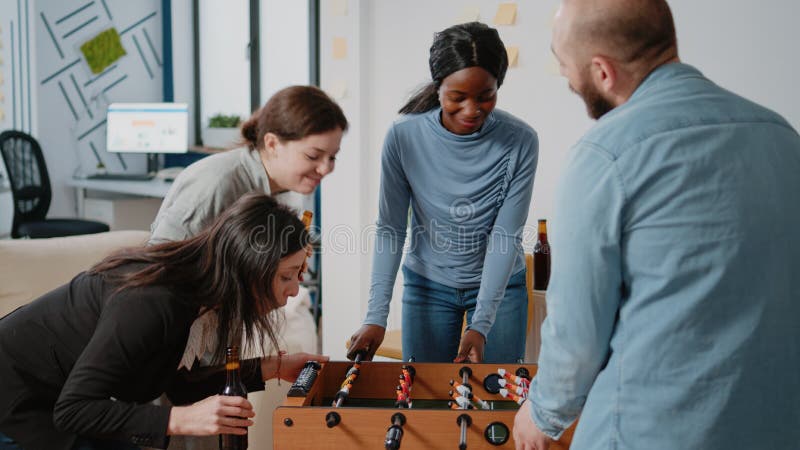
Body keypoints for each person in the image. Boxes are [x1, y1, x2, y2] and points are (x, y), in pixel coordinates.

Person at [513, 1, 800, 449]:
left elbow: (578, 336)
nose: (569, 81)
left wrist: (542, 413)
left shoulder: (603, 158)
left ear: (602, 72)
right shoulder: (783, 136)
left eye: (566, 69)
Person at [0, 193, 329, 450]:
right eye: (287, 276)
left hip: (57, 400)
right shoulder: (152, 302)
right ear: (250, 268)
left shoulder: (200, 298)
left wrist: (275, 367)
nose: (295, 289)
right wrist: (182, 419)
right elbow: (74, 409)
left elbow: (180, 385)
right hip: (16, 400)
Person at [348, 22, 539, 364]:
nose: (471, 110)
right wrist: (376, 316)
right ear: (438, 88)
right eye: (457, 97)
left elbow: (504, 235)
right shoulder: (403, 137)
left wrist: (481, 324)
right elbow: (391, 228)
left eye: (485, 96)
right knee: (423, 401)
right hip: (428, 286)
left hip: (501, 289)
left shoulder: (520, 141)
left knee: (497, 401)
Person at [149, 85, 348, 244]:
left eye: (332, 157)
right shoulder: (217, 184)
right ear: (272, 144)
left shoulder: (281, 190)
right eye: (313, 156)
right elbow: (160, 268)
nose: (325, 169)